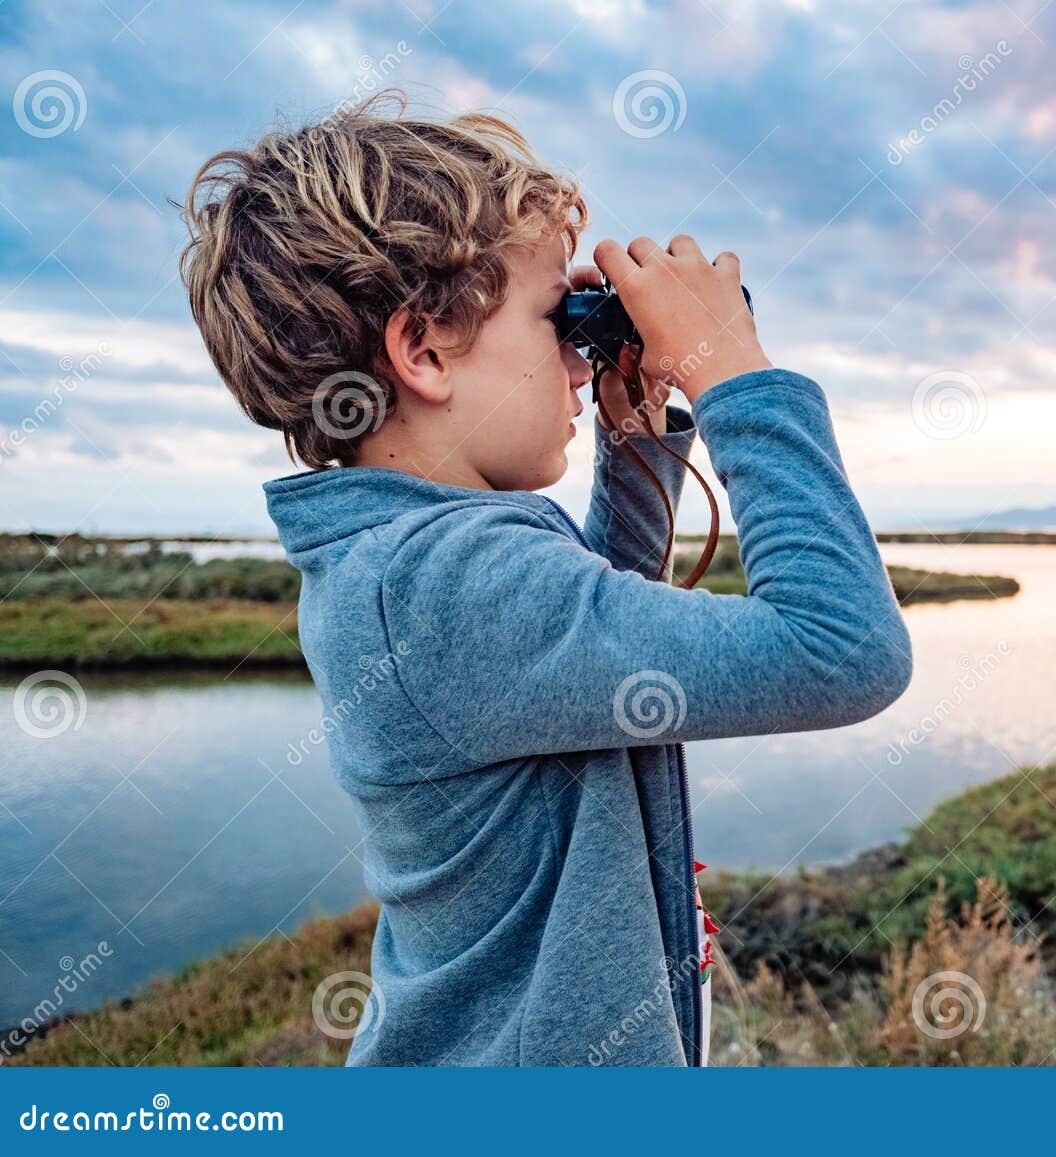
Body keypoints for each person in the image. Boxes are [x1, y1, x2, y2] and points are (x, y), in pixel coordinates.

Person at [178, 90, 912, 1066]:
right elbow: (842, 649)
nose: (575, 365)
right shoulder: (445, 579)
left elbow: (581, 648)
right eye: (548, 320)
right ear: (425, 350)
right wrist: (733, 371)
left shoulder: (402, 558)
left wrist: (638, 434)